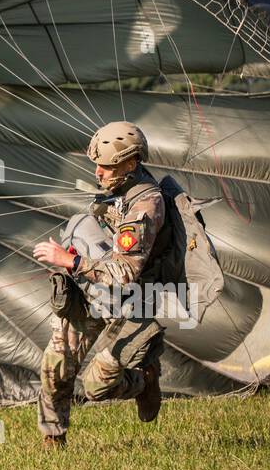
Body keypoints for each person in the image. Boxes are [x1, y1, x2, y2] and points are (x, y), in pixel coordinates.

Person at [32, 121, 169, 447]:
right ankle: (53, 441)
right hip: (95, 292)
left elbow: (123, 273)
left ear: (131, 164)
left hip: (134, 302)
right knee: (56, 364)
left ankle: (143, 380)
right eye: (97, 165)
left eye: (107, 166)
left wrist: (71, 261)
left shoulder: (146, 206)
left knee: (97, 386)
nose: (99, 172)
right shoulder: (114, 192)